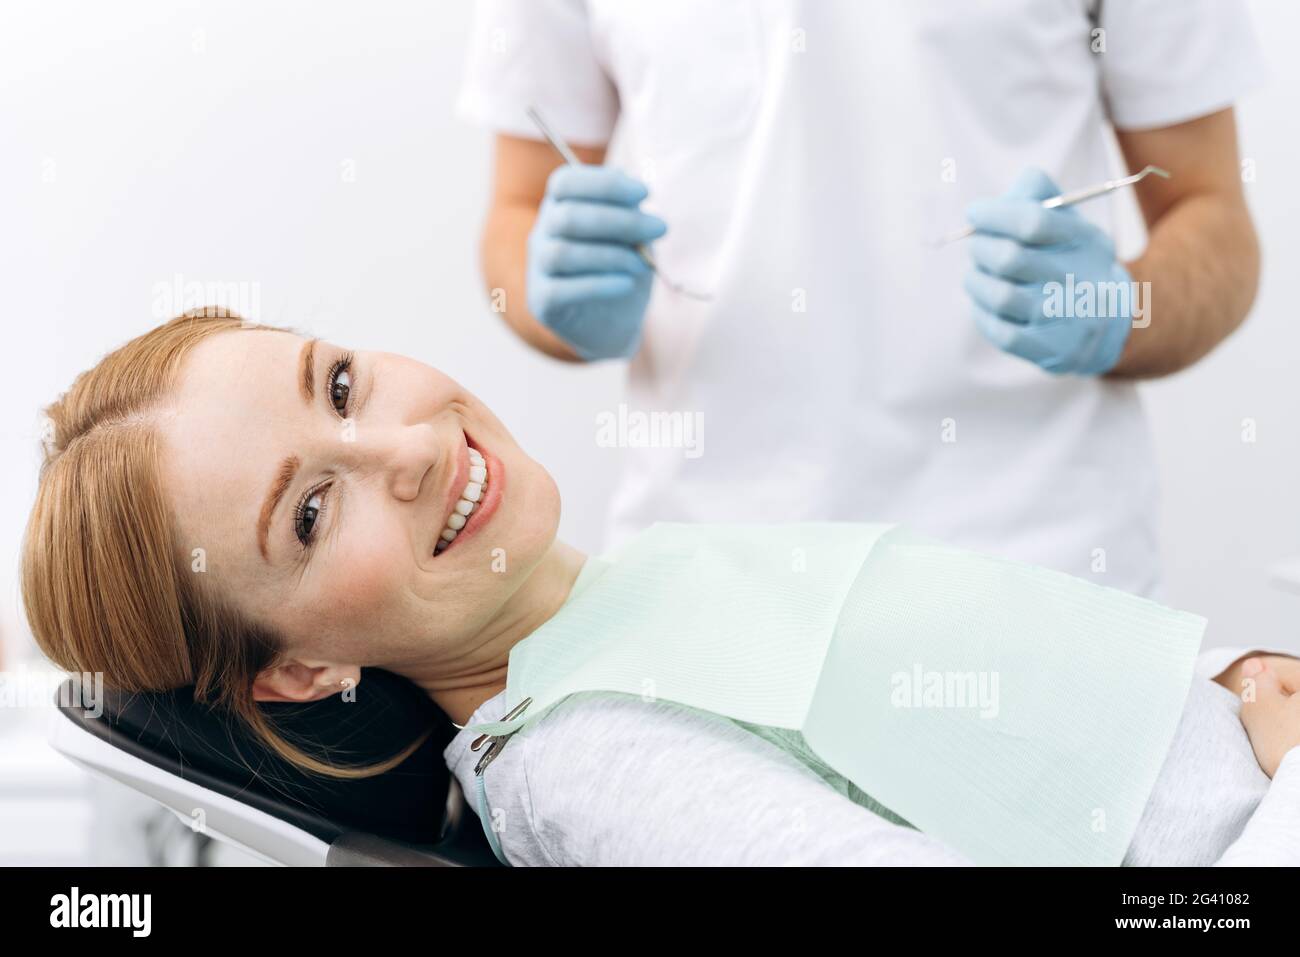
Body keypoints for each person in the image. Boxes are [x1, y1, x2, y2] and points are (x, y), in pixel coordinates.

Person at [21, 314, 1300, 866]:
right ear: (297, 670)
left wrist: (1198, 696)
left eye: (342, 385)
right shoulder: (590, 760)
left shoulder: (622, 601)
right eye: (310, 513)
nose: (407, 453)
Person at [461, 0, 1265, 598]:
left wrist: (1125, 309)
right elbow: (517, 210)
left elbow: (1213, 215)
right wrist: (547, 292)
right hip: (702, 589)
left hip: (1040, 574)